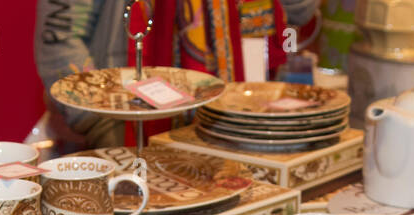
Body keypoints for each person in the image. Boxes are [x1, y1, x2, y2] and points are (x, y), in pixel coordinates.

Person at [35, 0, 320, 150]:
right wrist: (100, 121)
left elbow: (300, 10)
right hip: (127, 125)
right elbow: (60, 38)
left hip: (236, 119)